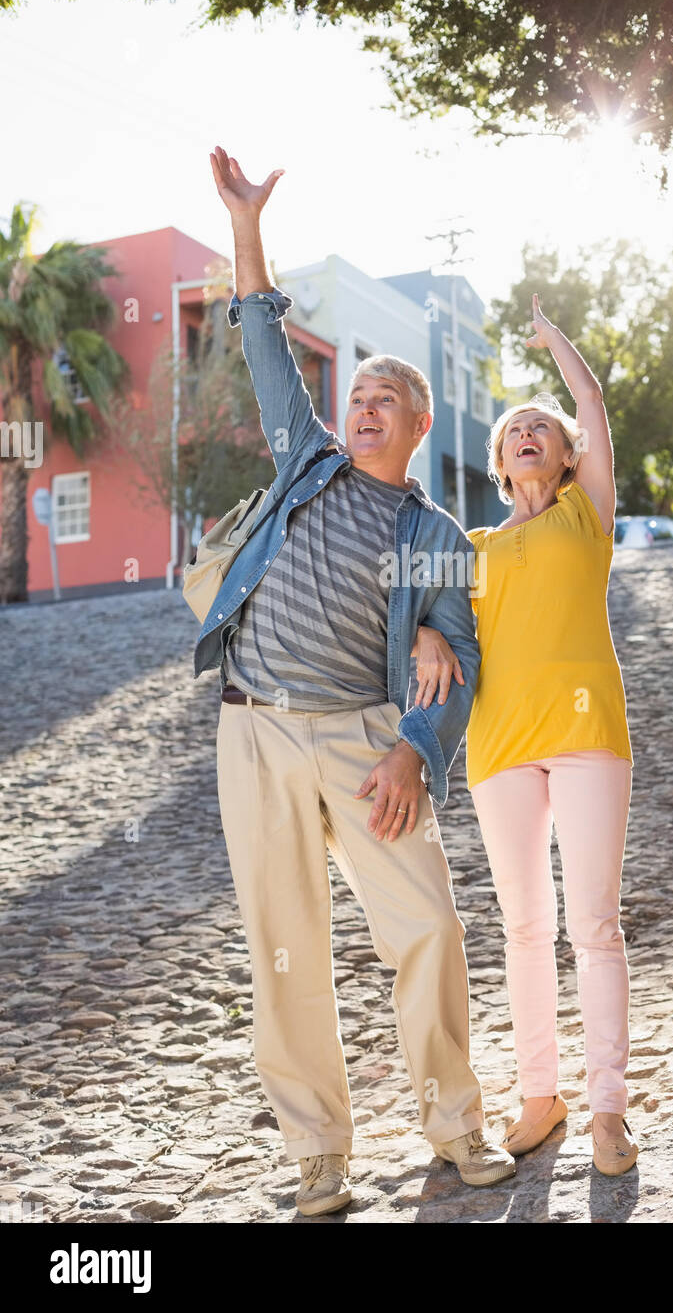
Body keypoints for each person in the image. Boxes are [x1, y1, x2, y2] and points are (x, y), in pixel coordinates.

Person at [194, 146, 514, 1216]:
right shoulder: (306, 456)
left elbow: (454, 658)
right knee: (284, 938)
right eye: (360, 392)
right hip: (254, 729)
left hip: (365, 736)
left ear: (419, 427)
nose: (365, 404)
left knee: (426, 923)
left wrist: (415, 751)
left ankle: (453, 1122)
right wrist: (244, 223)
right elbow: (258, 334)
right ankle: (317, 1151)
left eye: (387, 397)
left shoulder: (431, 532)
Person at [416, 294, 638, 1175]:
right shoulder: (470, 547)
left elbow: (594, 409)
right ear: (500, 463)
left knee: (595, 923)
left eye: (542, 427)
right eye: (514, 431)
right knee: (522, 926)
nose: (528, 434)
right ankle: (539, 1098)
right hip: (500, 747)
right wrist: (431, 630)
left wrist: (552, 342)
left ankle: (609, 1110)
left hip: (589, 736)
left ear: (566, 455)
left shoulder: (589, 514)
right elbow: (423, 622)